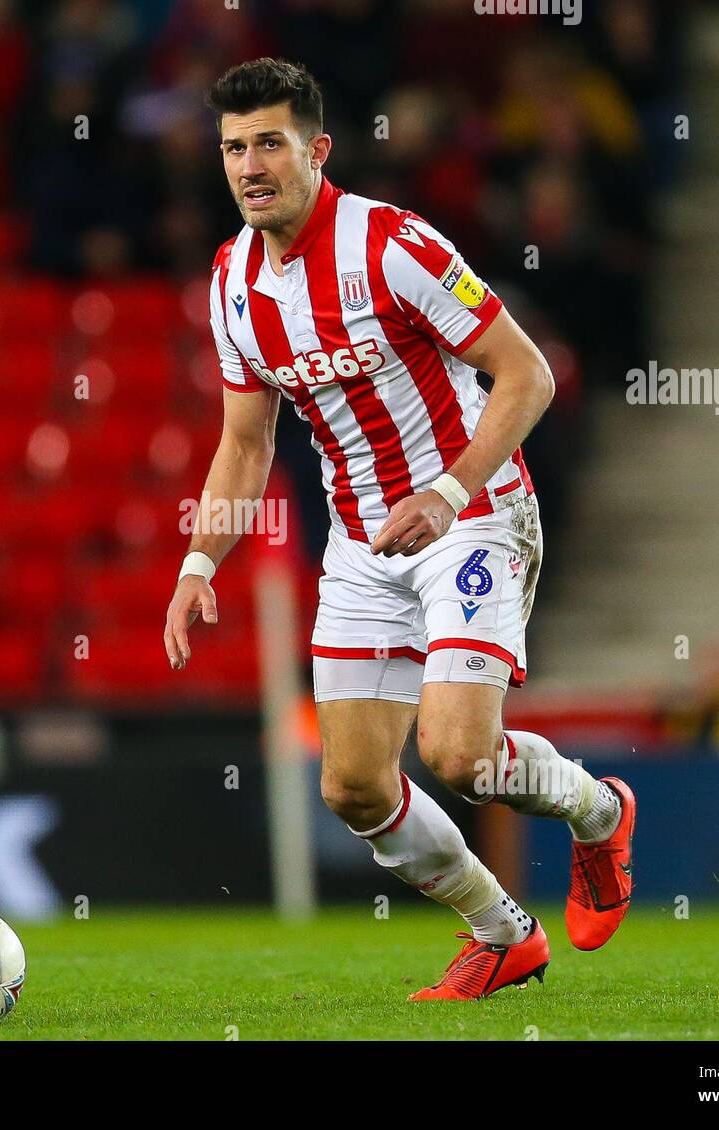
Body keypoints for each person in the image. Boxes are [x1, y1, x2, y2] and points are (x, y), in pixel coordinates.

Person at [163, 59, 635, 1000]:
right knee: (353, 787)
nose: (249, 166)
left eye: (268, 143)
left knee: (458, 755)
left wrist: (451, 492)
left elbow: (528, 374)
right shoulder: (229, 282)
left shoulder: (391, 246)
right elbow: (246, 441)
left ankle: (597, 808)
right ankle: (503, 933)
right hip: (362, 545)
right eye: (232, 149)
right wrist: (197, 559)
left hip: (473, 515)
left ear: (317, 149)